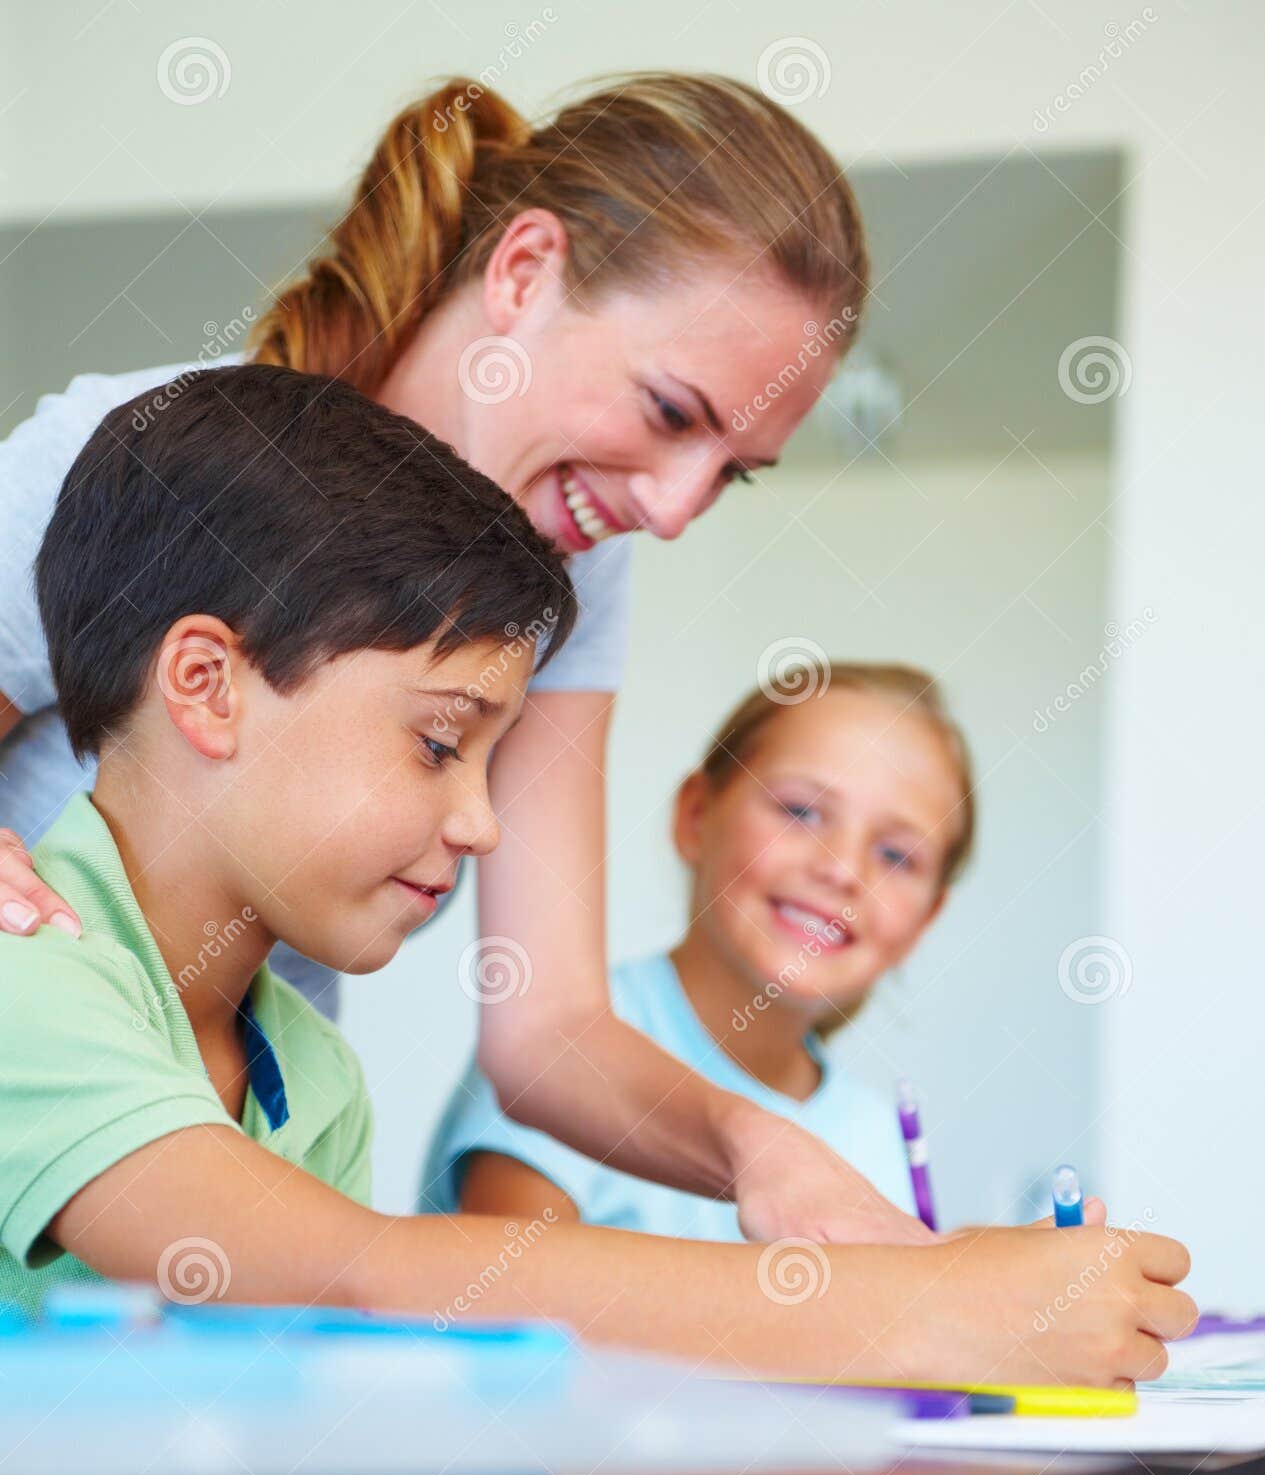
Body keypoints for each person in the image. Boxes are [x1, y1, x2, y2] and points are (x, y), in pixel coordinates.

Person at [0, 362, 1197, 1388]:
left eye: (490, 758)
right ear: (208, 686)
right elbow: (349, 1275)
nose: (482, 825)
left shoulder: (311, 1075)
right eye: (436, 743)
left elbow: (313, 1403)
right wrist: (943, 1310)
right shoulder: (27, 986)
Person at [0, 72, 922, 1245]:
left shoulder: (576, 574)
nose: (679, 508)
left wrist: (764, 1152)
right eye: (674, 413)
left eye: (732, 470)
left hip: (252, 1134)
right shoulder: (138, 471)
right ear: (524, 271)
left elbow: (548, 1031)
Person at [425, 665, 973, 1235]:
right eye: (800, 812)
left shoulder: (881, 1140)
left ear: (926, 919)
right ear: (695, 815)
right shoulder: (561, 1043)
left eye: (896, 857)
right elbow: (516, 1296)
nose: (841, 869)